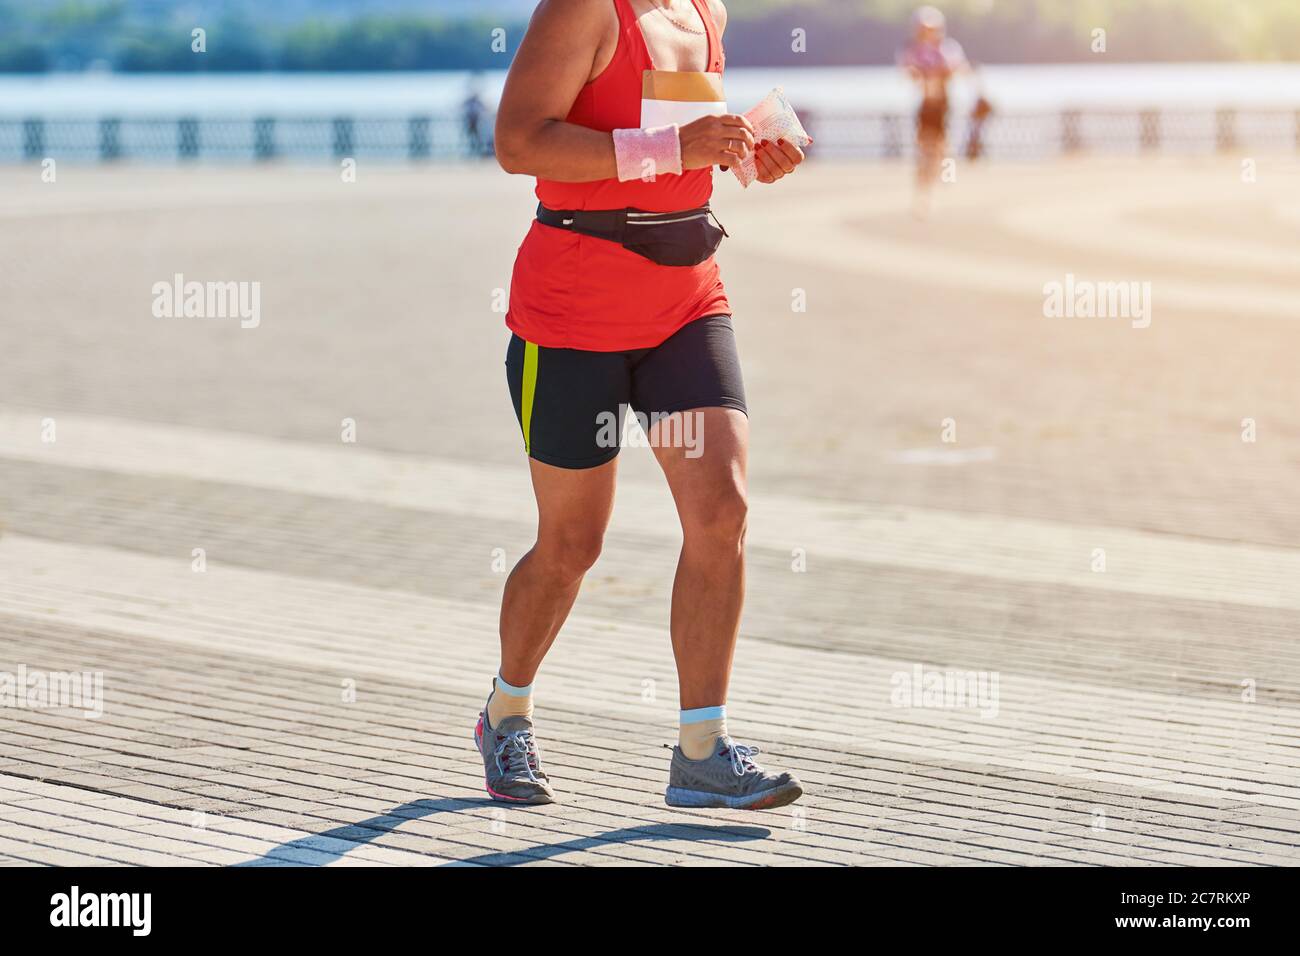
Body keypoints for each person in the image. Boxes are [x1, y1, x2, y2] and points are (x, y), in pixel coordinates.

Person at [477, 0, 807, 809]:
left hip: (686, 300)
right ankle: (505, 711)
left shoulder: (705, 8)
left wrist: (742, 150)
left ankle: (701, 748)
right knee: (570, 547)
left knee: (721, 512)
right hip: (571, 312)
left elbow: (672, 148)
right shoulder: (584, 8)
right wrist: (672, 146)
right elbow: (519, 142)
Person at [900, 6, 968, 216]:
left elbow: (959, 69)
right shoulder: (916, 50)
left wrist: (937, 72)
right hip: (927, 106)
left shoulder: (947, 49)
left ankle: (939, 180)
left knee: (939, 147)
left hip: (942, 105)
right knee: (926, 148)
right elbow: (908, 71)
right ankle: (925, 191)